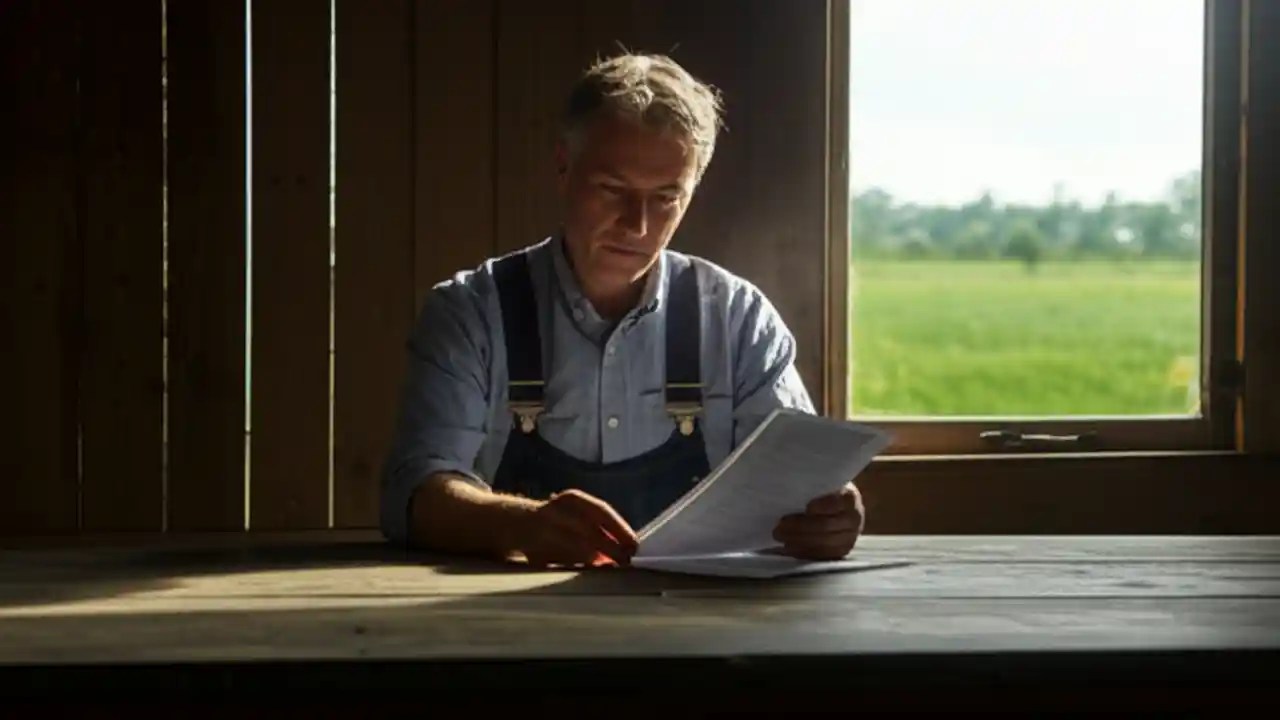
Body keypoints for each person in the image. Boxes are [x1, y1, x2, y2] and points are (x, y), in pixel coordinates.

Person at [380, 52, 864, 568]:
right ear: (564, 167)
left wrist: (827, 515)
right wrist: (521, 524)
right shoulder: (471, 313)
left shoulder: (739, 319)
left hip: (697, 631)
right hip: (511, 626)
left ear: (692, 191)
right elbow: (414, 493)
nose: (637, 225)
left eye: (665, 198)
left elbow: (795, 485)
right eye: (613, 190)